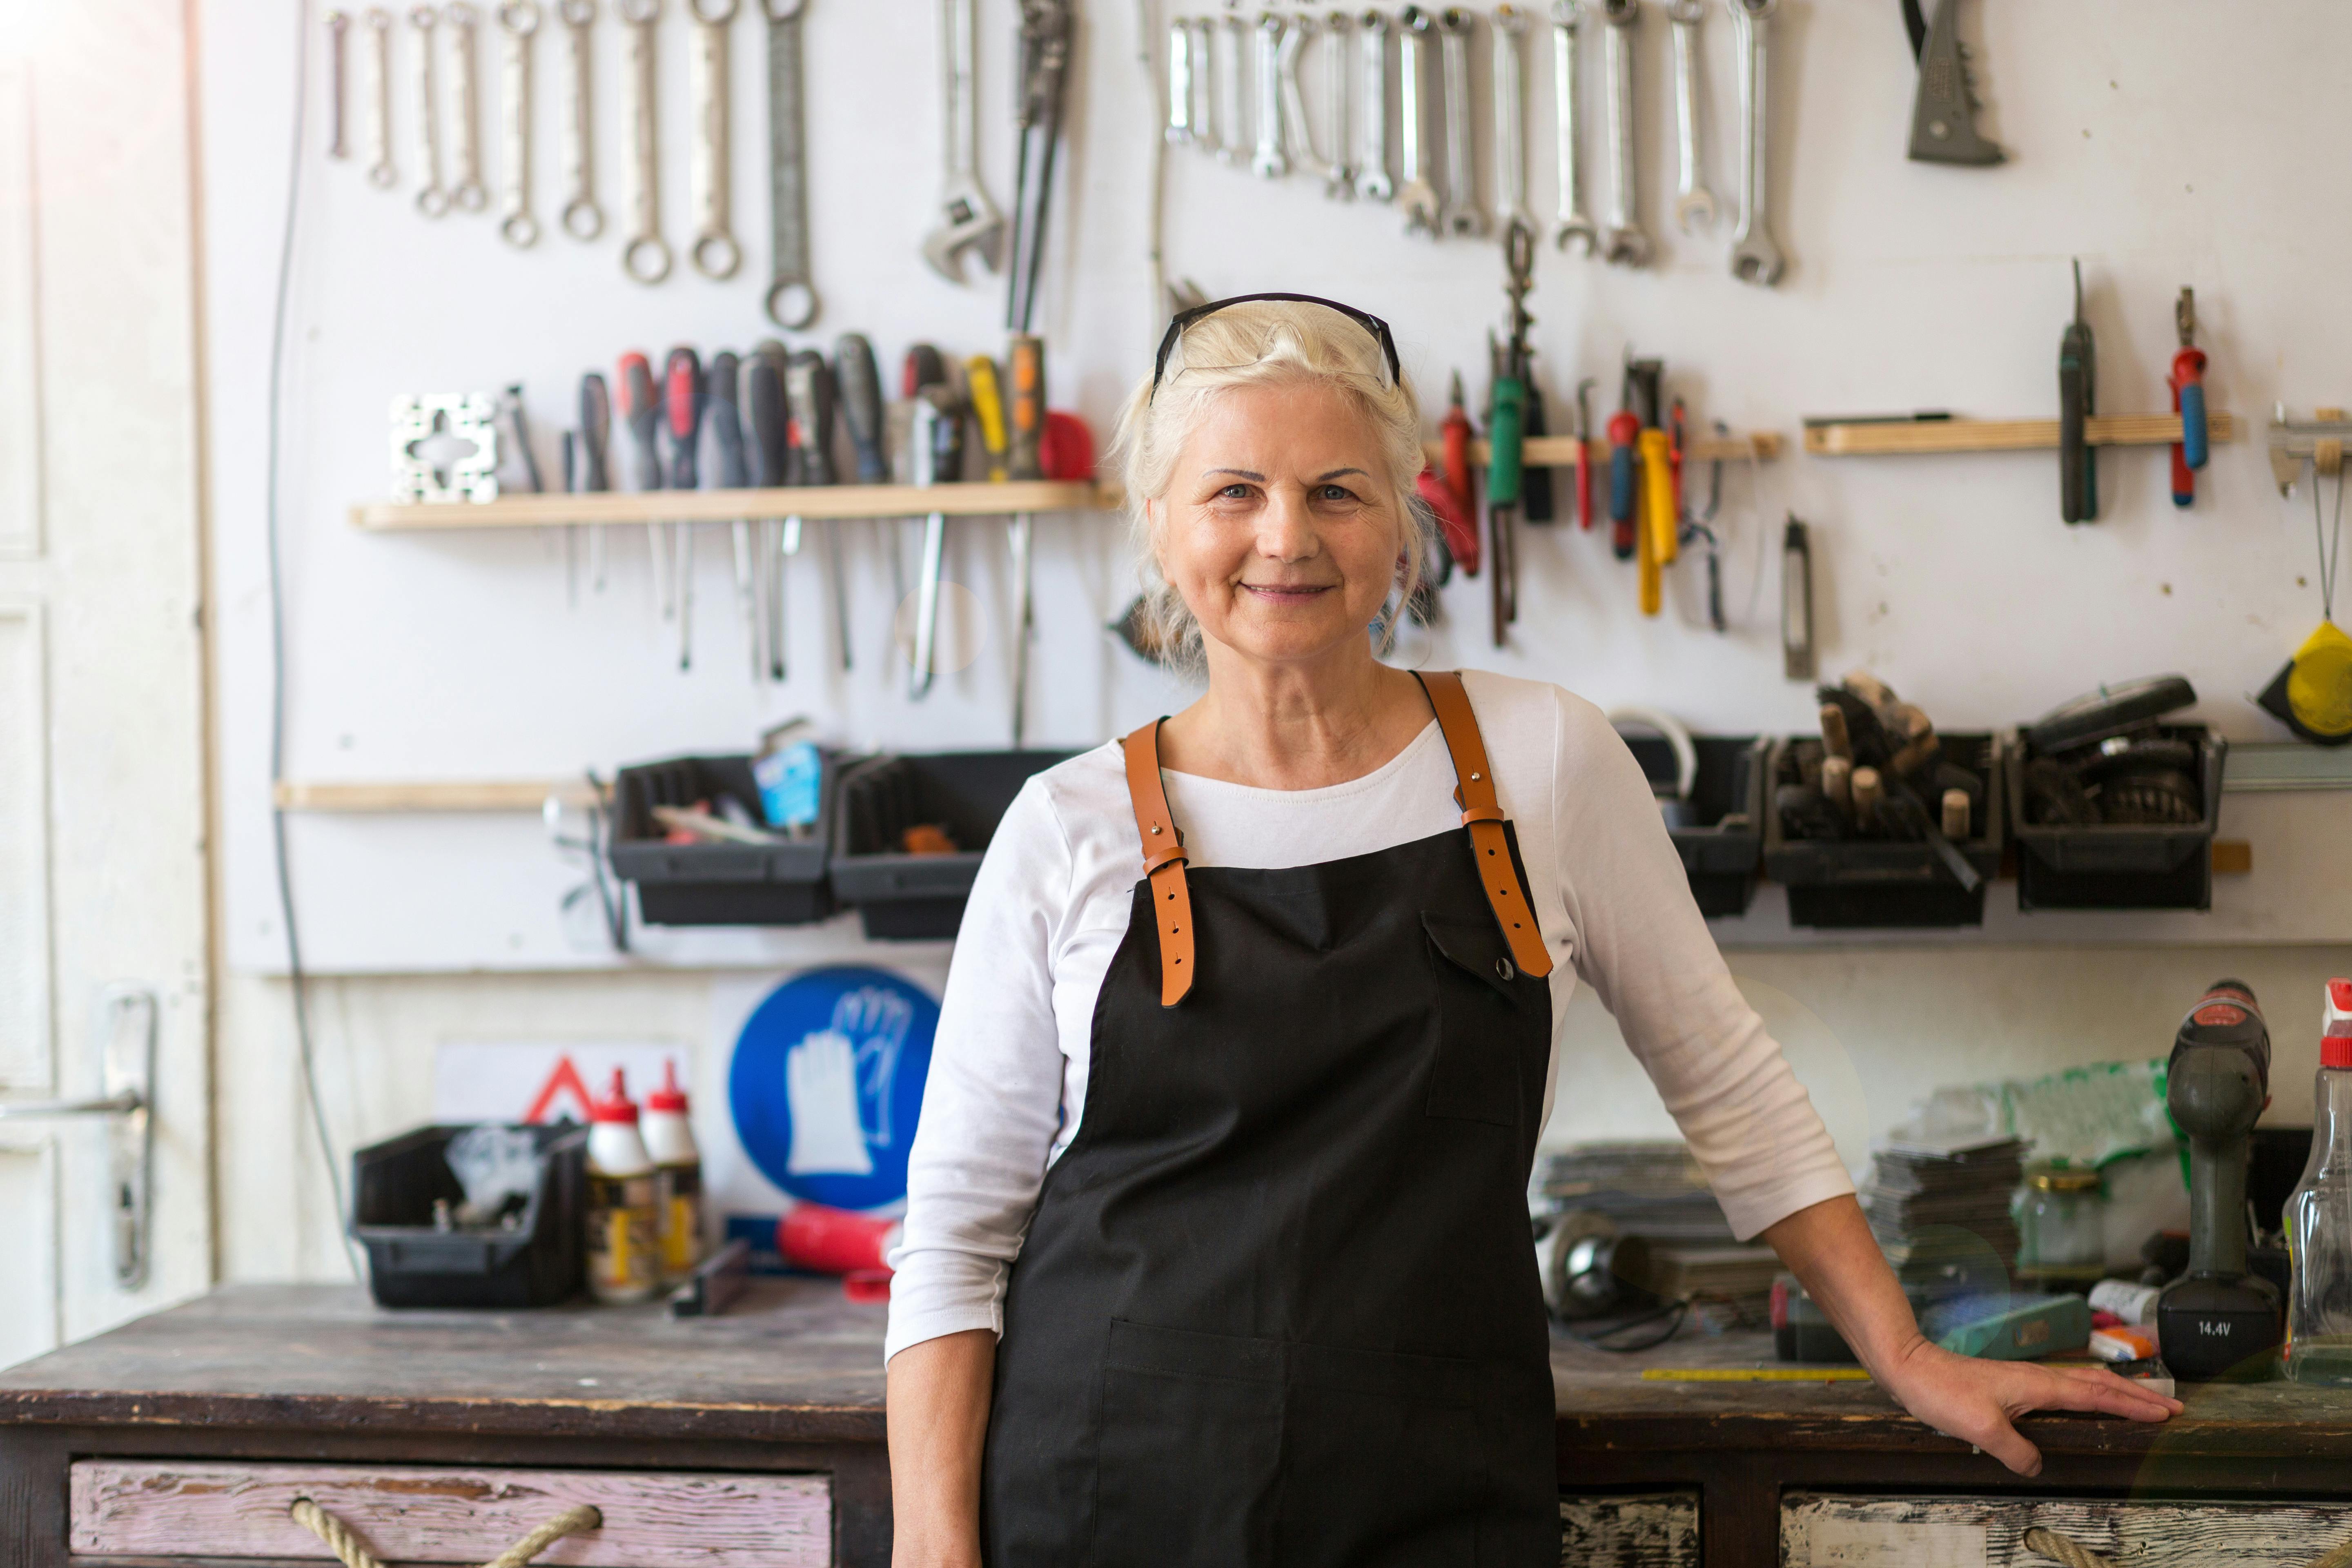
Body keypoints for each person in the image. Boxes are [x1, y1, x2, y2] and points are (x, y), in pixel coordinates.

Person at [882, 296, 2179, 1568]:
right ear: (1161, 531)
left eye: (1338, 490)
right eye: (1233, 493)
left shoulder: (1538, 759)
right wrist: (936, 1549)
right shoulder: (1066, 829)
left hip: (1434, 1482)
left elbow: (1724, 1076)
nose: (1286, 537)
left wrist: (1905, 1354)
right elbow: (955, 1232)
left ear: (1405, 528)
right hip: (1112, 1489)